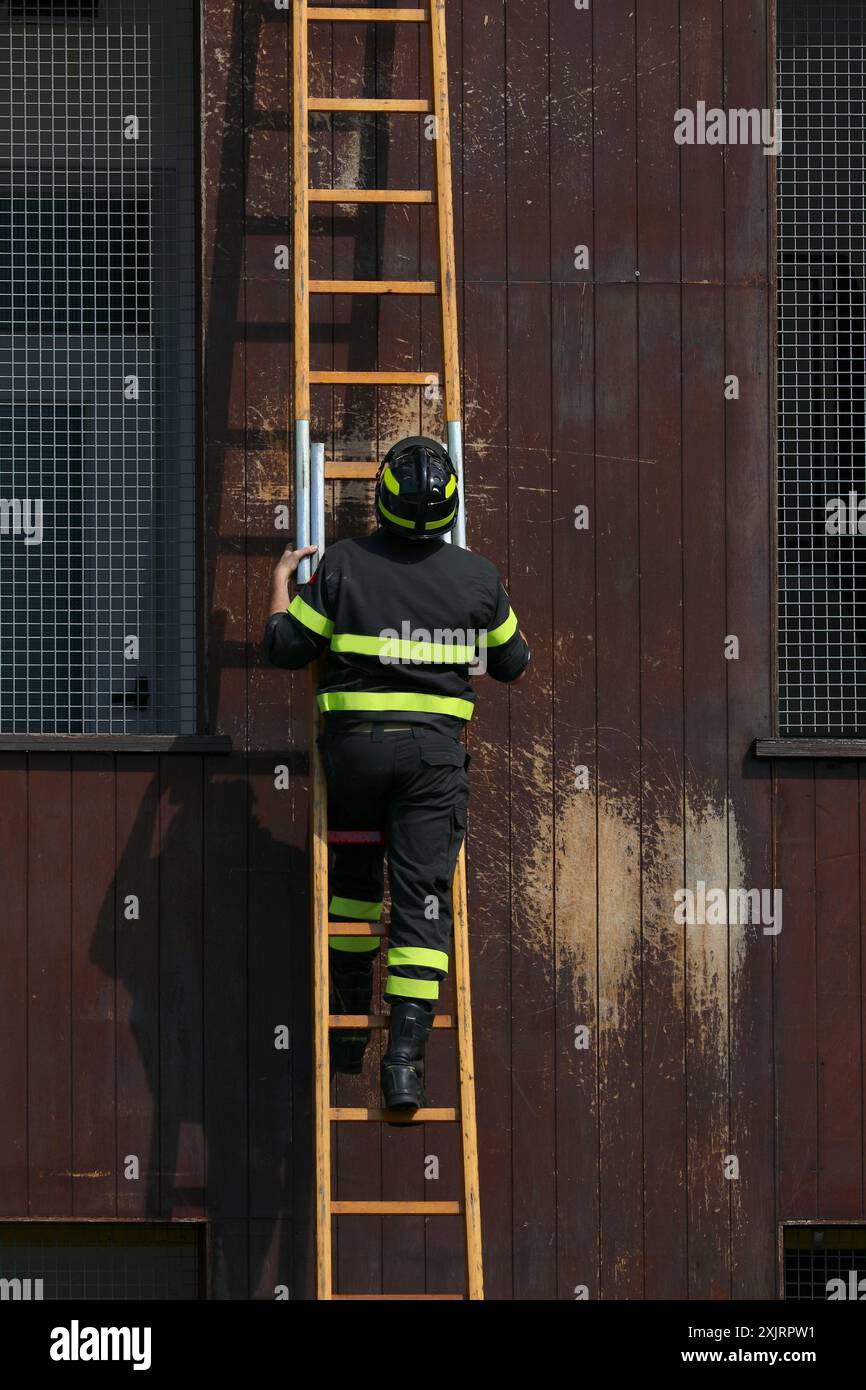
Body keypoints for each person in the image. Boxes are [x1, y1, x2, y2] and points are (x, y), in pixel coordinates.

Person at [264, 436, 530, 1111]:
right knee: (422, 908)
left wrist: (278, 586)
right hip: (431, 768)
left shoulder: (343, 564)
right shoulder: (478, 578)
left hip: (353, 760)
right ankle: (404, 1066)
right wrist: (482, 595)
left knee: (354, 886)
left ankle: (348, 1038)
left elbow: (285, 649)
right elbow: (512, 663)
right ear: (451, 506)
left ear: (380, 496)